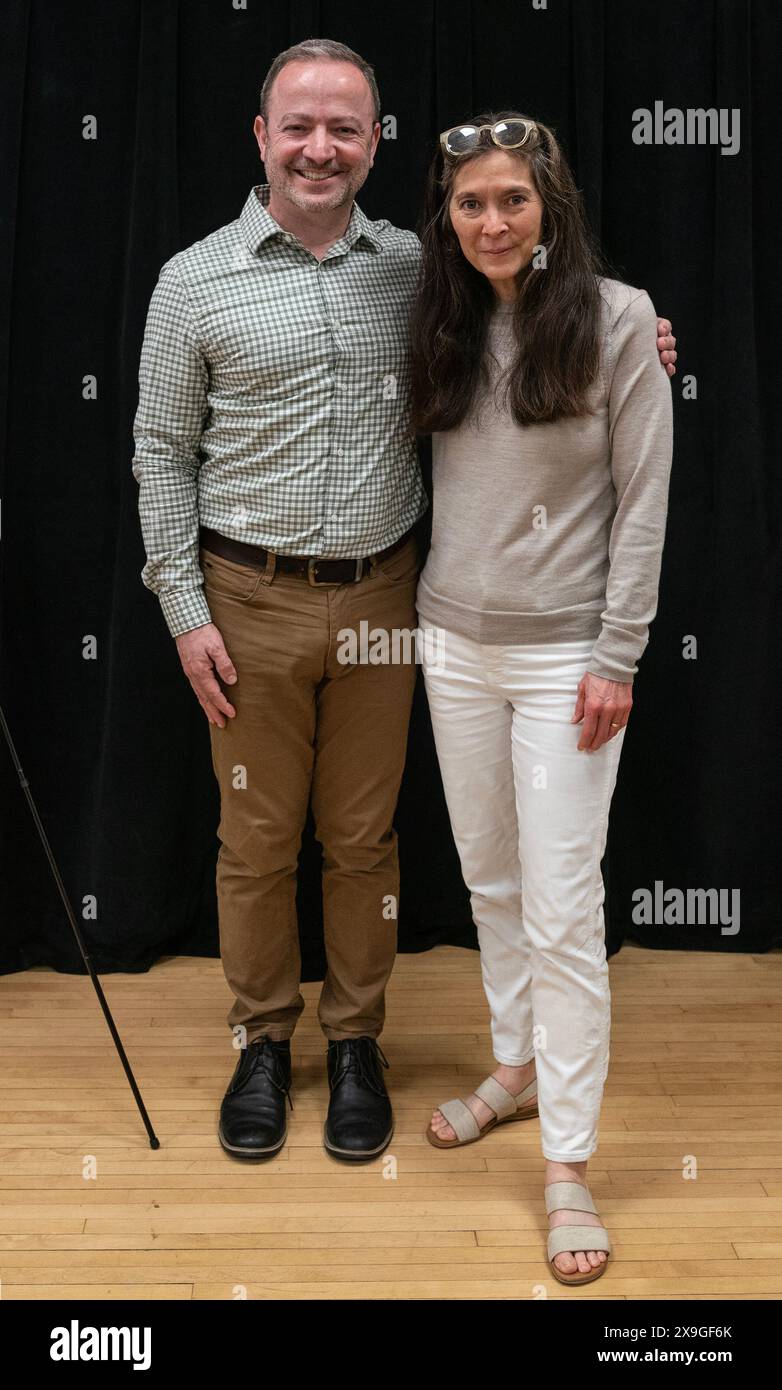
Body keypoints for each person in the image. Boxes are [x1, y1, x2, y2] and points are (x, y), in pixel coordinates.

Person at [131, 40, 677, 1172]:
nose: (319, 148)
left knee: (366, 841)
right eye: (298, 126)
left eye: (344, 128)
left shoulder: (413, 270)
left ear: (375, 142)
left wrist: (638, 336)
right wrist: (184, 607)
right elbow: (156, 448)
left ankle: (358, 1040)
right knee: (255, 839)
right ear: (261, 137)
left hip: (388, 595)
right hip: (248, 596)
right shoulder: (196, 278)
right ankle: (264, 1040)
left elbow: (553, 318)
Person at [409, 111, 674, 1285]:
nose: (491, 220)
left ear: (548, 206)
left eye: (511, 198)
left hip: (567, 653)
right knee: (490, 875)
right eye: (470, 202)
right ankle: (513, 1066)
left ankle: (567, 1164)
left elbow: (643, 500)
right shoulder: (440, 316)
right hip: (449, 644)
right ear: (448, 216)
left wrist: (618, 652)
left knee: (566, 905)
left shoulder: (618, 322)